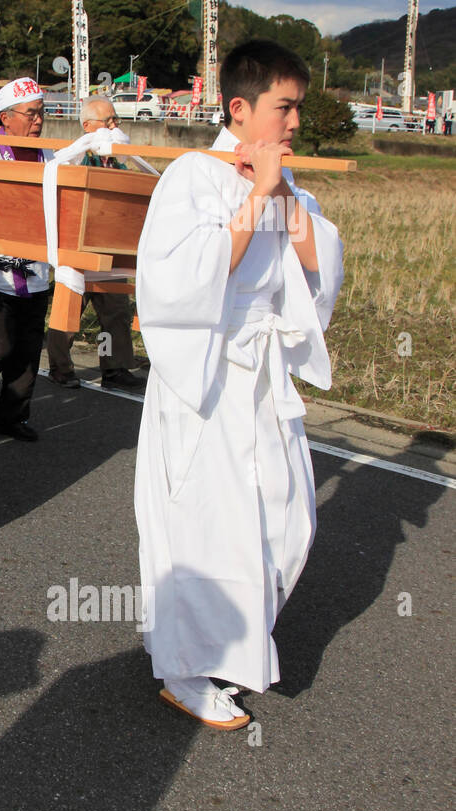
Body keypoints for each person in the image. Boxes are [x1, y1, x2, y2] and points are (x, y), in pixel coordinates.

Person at [135, 39, 344, 729]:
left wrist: (277, 190)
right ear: (240, 107)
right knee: (208, 524)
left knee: (289, 521)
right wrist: (254, 194)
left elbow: (321, 268)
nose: (293, 123)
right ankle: (188, 670)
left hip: (263, 377)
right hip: (207, 372)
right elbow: (181, 280)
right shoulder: (194, 175)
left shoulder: (285, 184)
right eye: (283, 108)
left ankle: (228, 644)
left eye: (298, 110)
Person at [0, 77, 55, 442]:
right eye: (30, 114)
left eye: (41, 113)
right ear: (5, 117)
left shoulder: (49, 154)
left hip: (35, 270)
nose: (38, 121)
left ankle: (10, 415)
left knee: (28, 348)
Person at [45, 97, 146, 391]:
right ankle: (60, 367)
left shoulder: (118, 158)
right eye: (108, 122)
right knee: (69, 313)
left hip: (110, 249)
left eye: (116, 121)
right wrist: (85, 147)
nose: (115, 127)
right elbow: (58, 171)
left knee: (114, 314)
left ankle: (113, 368)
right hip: (78, 250)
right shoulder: (75, 155)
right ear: (89, 127)